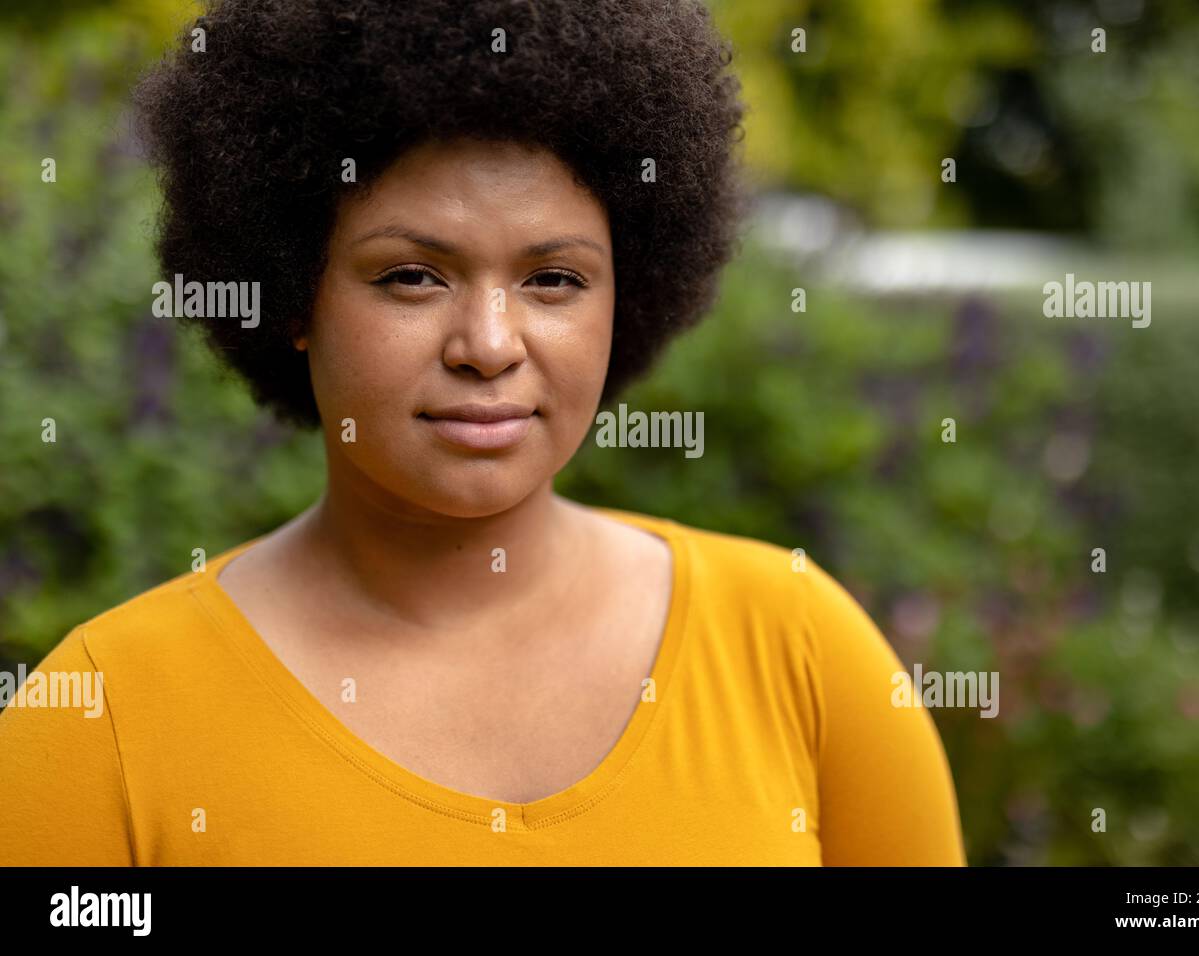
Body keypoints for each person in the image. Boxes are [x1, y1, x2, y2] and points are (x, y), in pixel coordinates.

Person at [0, 0, 965, 866]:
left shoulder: (797, 646)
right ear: (294, 296)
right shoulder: (102, 718)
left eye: (554, 279)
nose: (490, 345)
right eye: (412, 276)